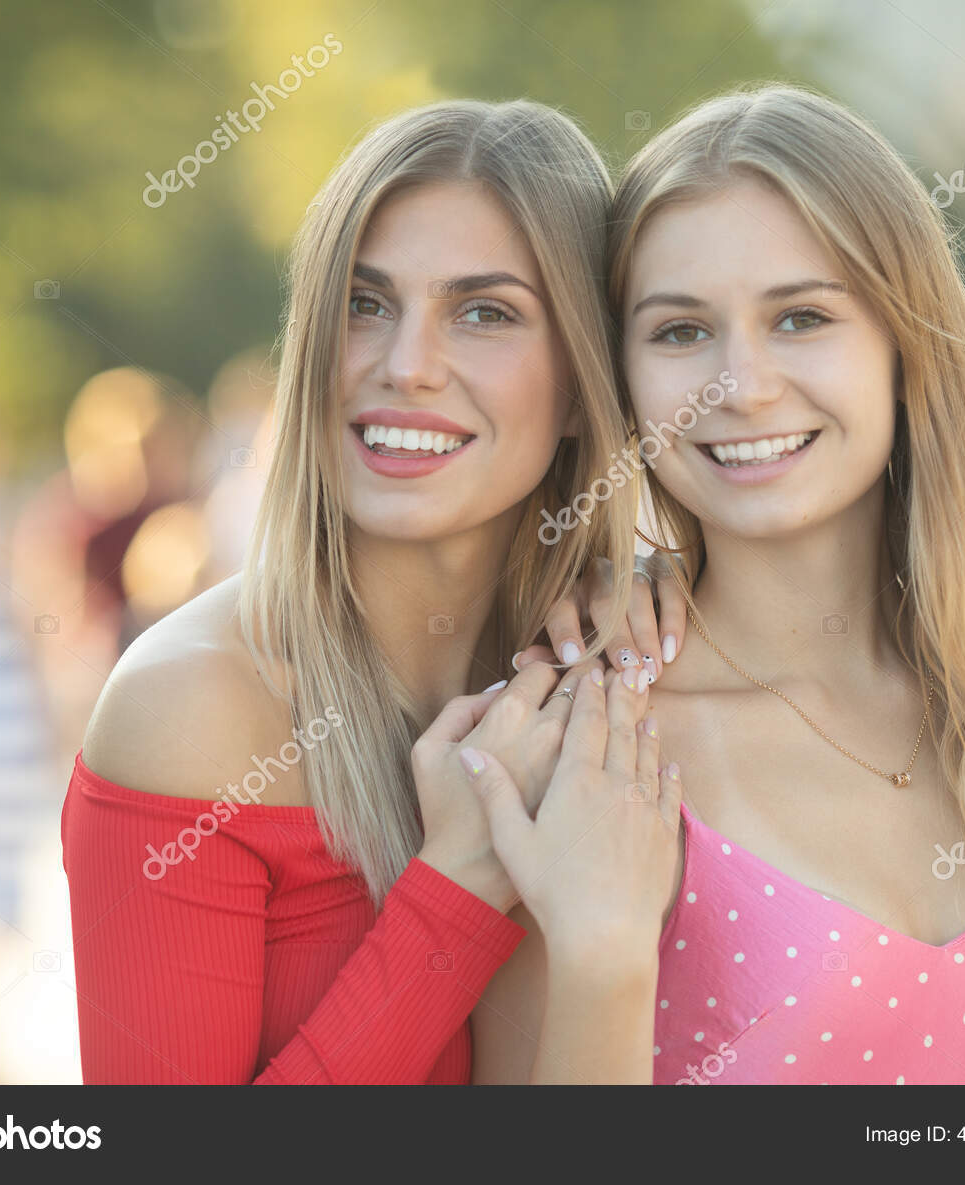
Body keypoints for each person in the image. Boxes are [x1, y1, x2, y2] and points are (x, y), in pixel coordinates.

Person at [472, 85, 965, 1085]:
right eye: (678, 332)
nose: (740, 384)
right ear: (618, 379)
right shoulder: (575, 749)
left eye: (800, 317)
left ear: (903, 344)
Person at [61, 99, 671, 1083]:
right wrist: (462, 886)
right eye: (364, 301)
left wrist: (668, 579)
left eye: (485, 312)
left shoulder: (614, 674)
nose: (406, 366)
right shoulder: (190, 709)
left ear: (582, 384)